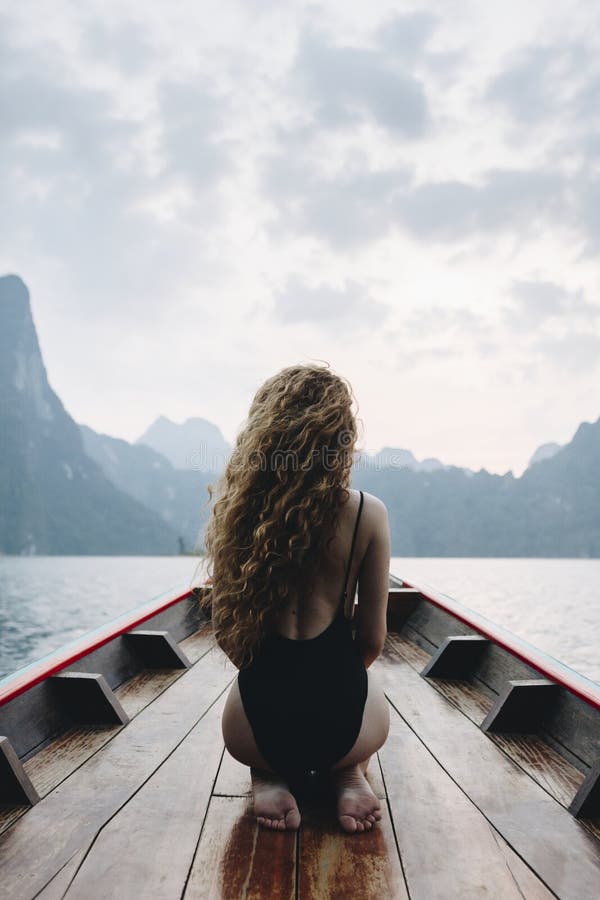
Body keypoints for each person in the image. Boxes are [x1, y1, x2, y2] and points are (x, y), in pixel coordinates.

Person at [196, 363, 391, 834]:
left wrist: (281, 683)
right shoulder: (367, 514)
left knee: (256, 690)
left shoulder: (237, 513)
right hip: (345, 723)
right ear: (341, 439)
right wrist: (327, 686)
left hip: (254, 732)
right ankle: (348, 768)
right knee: (371, 688)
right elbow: (371, 641)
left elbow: (227, 636)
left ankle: (268, 773)